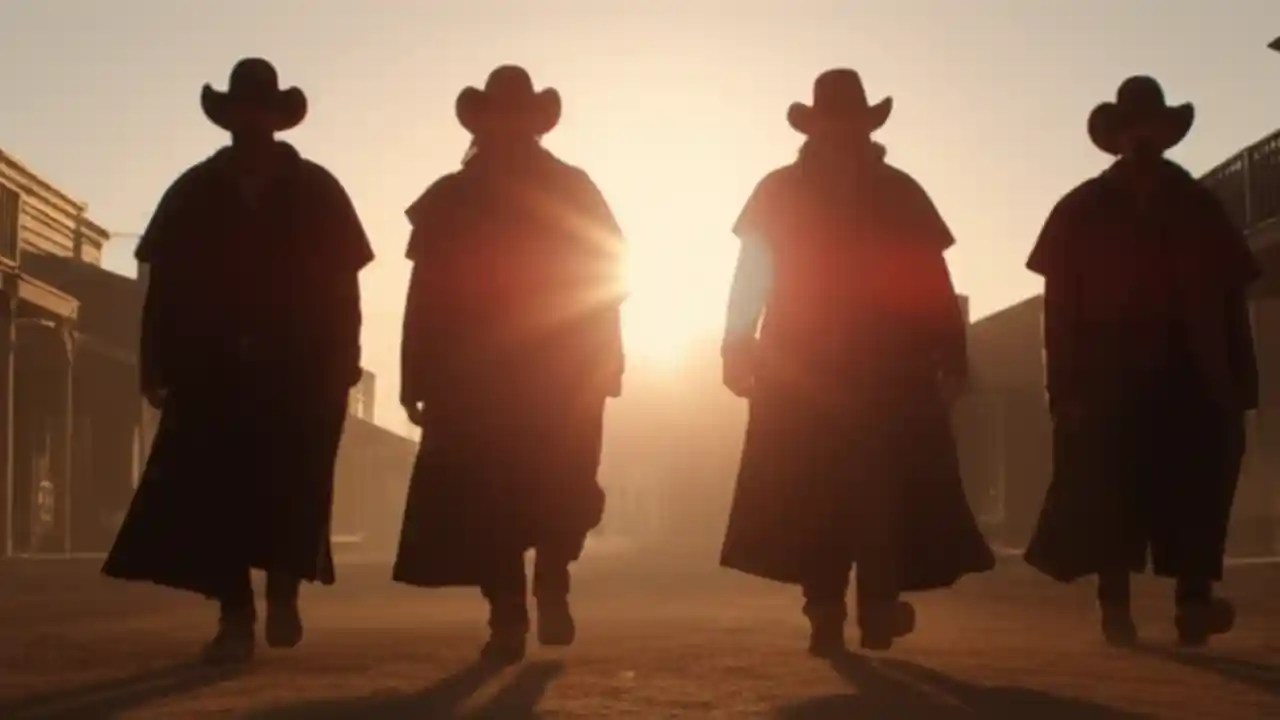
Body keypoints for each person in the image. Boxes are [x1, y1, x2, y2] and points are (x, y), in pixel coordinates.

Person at [103, 58, 373, 665]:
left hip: (299, 371)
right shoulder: (194, 190)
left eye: (260, 113)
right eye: (242, 113)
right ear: (229, 120)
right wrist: (156, 366)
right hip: (212, 370)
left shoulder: (317, 190)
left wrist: (345, 362)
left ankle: (281, 591)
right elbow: (162, 289)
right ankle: (235, 614)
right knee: (215, 495)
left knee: (290, 487)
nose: (251, 124)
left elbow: (344, 290)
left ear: (277, 121)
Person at [719, 68, 994, 656]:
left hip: (868, 367)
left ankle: (862, 608)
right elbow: (752, 276)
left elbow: (929, 282)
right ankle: (835, 609)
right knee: (822, 487)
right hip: (819, 366)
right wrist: (737, 345)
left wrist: (950, 351)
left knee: (866, 489)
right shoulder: (865, 189)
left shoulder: (864, 190)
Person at [393, 65, 625, 665]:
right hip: (481, 375)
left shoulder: (570, 189)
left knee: (560, 482)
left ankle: (548, 582)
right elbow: (426, 293)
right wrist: (414, 370)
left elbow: (606, 278)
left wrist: (607, 357)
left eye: (518, 119)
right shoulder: (453, 197)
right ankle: (509, 614)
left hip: (557, 368)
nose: (511, 131)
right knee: (488, 495)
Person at [1024, 76, 1258, 648]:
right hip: (1107, 377)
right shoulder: (1080, 210)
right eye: (1134, 130)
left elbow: (1230, 303)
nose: (1143, 139)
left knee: (1198, 488)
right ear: (1119, 137)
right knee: (1110, 492)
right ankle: (1116, 608)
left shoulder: (1199, 206)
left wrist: (1235, 382)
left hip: (1191, 374)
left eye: (1150, 128)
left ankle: (1194, 603)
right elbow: (1059, 309)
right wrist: (1064, 387)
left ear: (1164, 133)